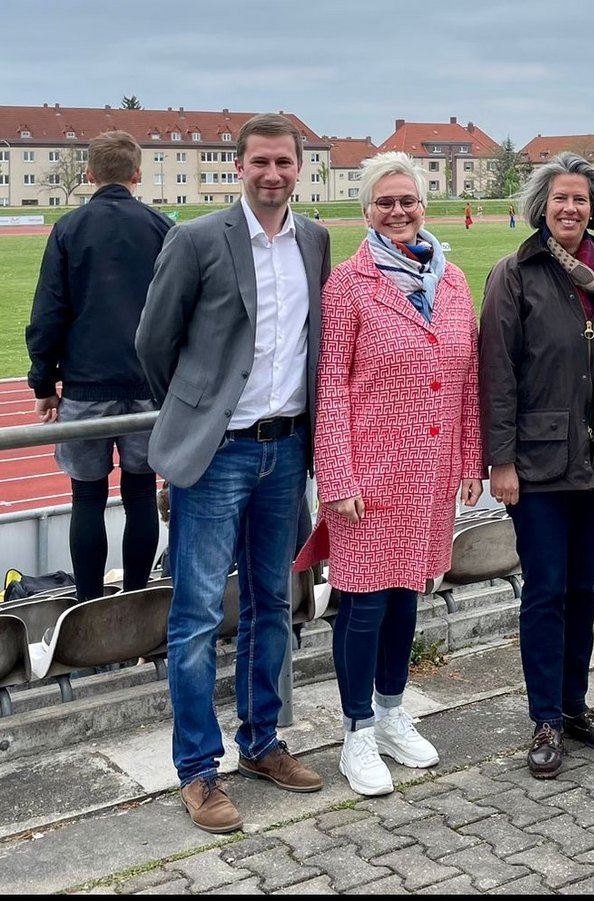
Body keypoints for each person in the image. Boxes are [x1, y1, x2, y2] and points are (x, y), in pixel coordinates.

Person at [136, 114, 331, 834]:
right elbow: (154, 341)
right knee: (193, 620)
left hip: (285, 451)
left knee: (272, 604)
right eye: (260, 162)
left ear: (299, 168)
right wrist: (197, 412)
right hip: (217, 453)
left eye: (284, 161)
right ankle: (197, 769)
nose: (272, 173)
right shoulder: (194, 241)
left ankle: (261, 742)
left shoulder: (314, 239)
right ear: (238, 167)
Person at [291, 152, 483, 796]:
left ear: (423, 206)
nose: (399, 212)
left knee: (407, 596)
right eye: (385, 202)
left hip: (430, 473)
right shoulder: (350, 283)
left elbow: (466, 378)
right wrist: (337, 475)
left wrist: (469, 458)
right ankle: (356, 732)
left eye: (408, 201)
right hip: (370, 474)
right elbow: (332, 386)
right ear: (366, 211)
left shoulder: (451, 281)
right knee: (365, 603)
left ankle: (392, 709)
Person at [478, 152, 594, 779]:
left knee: (583, 588)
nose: (570, 209)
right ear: (542, 206)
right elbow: (498, 372)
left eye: (580, 199)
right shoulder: (515, 273)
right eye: (559, 199)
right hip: (540, 465)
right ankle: (544, 715)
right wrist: (501, 460)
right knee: (544, 591)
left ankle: (575, 705)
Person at [25, 130, 172, 603]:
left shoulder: (69, 227)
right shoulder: (161, 226)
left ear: (88, 176)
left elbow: (49, 310)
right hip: (146, 384)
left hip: (87, 386)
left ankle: (89, 607)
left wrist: (43, 381)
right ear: (137, 174)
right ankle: (137, 600)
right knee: (140, 491)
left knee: (86, 497)